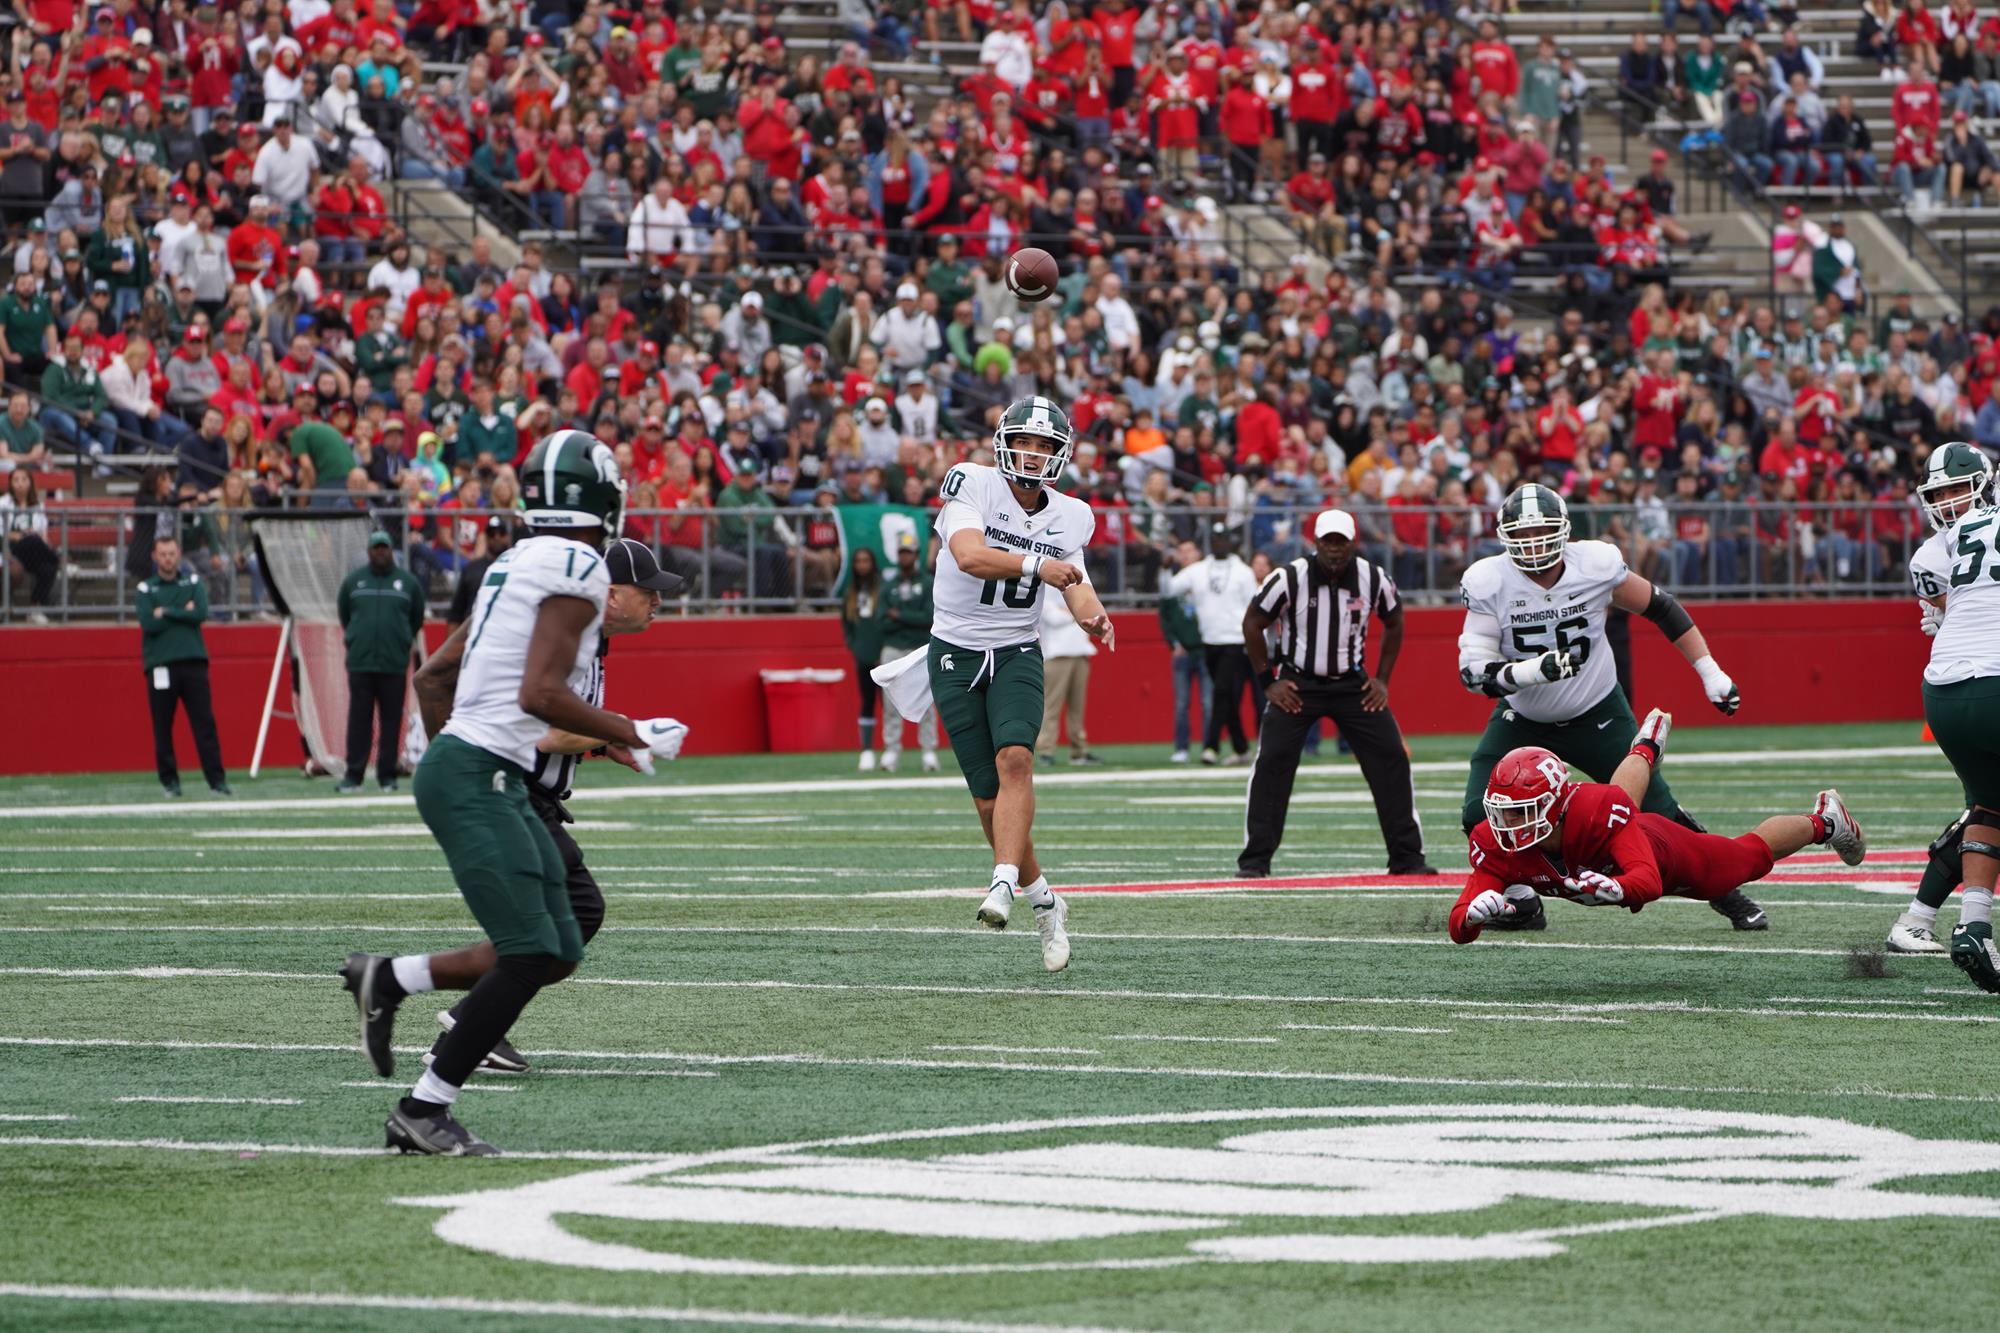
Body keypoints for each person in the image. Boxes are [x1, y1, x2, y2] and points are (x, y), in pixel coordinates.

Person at [338, 430, 691, 1156]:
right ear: (604, 495)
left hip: (478, 767)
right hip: (482, 772)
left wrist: (463, 750)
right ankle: (423, 1107)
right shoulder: (580, 565)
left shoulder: (514, 559)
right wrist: (631, 729)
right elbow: (540, 693)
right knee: (534, 946)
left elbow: (437, 676)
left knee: (560, 942)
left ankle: (392, 978)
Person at [407, 534, 686, 1075]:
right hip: (515, 793)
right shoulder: (570, 635)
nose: (657, 601)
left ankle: (459, 1022)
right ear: (609, 593)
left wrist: (607, 742)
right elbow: (547, 732)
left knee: (558, 927)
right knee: (560, 926)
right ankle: (439, 1013)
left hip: (526, 795)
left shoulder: (588, 638)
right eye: (645, 590)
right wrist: (633, 732)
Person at [872, 395, 1112, 973]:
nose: (1032, 454)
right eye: (1024, 442)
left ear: (1060, 455)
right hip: (955, 649)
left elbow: (1072, 578)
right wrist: (1037, 566)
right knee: (987, 799)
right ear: (1005, 442)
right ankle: (1046, 900)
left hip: (1016, 650)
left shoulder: (1070, 513)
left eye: (1044, 446)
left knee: (1016, 762)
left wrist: (1093, 613)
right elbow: (969, 555)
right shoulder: (972, 484)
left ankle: (1003, 881)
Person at [1456, 483, 1761, 932]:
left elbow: (1662, 607)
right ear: (1504, 537)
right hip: (1523, 718)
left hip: (1596, 709)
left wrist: (1709, 670)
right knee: (1478, 812)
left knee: (1658, 811)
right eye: (1524, 535)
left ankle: (1725, 891)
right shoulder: (1489, 580)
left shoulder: (1594, 565)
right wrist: (1533, 671)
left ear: (1564, 531)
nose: (1535, 544)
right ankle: (1521, 902)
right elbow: (1473, 672)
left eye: (1543, 532)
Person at [1450, 712, 1863, 942]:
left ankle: (1825, 821)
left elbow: (1646, 881)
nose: (1508, 824)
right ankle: (1645, 747)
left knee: (1744, 859)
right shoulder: (1495, 843)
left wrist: (1620, 889)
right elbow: (1457, 925)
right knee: (1621, 800)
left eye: (1523, 811)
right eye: (1503, 811)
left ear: (1555, 804)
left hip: (1659, 851)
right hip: (1611, 834)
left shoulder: (1596, 810)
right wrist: (1470, 918)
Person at [1239, 510, 1433, 878]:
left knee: (1391, 756)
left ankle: (1407, 857)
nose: (1334, 549)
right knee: (1273, 762)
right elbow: (1253, 621)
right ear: (1315, 543)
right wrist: (1269, 681)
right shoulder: (1289, 577)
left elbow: (1395, 621)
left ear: (1352, 543)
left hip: (1351, 683)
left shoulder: (1372, 577)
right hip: (1298, 683)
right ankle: (1255, 861)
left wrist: (1382, 680)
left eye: (1340, 541)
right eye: (1328, 541)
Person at [1898, 444, 2000, 981]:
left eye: (1955, 490)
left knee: (1987, 808)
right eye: (1938, 495)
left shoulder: (1939, 548)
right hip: (1992, 680)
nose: (1947, 503)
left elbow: (1948, 608)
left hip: (1942, 692)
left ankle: (1970, 925)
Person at [137, 534, 230, 797]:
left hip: (193, 663)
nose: (167, 558)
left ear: (178, 555)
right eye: (163, 554)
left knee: (204, 724)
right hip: (160, 665)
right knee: (162, 726)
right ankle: (170, 782)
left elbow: (200, 613)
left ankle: (217, 781)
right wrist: (182, 611)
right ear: (155, 557)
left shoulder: (192, 581)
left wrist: (166, 611)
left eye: (171, 553)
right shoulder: (146, 588)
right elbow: (148, 623)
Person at [1162, 523, 1261, 765]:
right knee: (1226, 697)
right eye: (1216, 539)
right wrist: (1164, 571)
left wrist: (1254, 641)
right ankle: (1240, 747)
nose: (1220, 543)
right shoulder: (1198, 570)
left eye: (1223, 539)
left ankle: (1211, 746)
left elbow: (1254, 606)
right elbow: (1169, 591)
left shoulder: (1243, 572)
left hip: (1235, 641)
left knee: (1221, 692)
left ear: (1231, 541)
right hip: (1210, 642)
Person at [335, 530, 425, 793]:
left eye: (384, 548)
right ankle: (354, 775)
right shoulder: (354, 582)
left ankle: (387, 776)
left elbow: (416, 618)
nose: (380, 552)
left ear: (391, 550)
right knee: (359, 720)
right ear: (369, 551)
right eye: (376, 548)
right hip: (361, 662)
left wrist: (401, 640)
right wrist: (356, 640)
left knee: (391, 720)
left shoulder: (407, 583)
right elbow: (345, 615)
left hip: (394, 663)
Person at [878, 531, 939, 773]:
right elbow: (882, 620)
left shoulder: (926, 583)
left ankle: (928, 750)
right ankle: (891, 749)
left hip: (920, 646)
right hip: (893, 646)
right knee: (890, 701)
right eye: (902, 553)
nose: (906, 557)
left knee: (926, 700)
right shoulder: (889, 585)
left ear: (916, 554)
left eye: (909, 552)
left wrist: (900, 615)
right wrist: (907, 619)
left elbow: (930, 617)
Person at [1036, 565, 1099, 766]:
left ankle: (1079, 750)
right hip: (1057, 654)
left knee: (1077, 708)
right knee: (1051, 706)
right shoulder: (1044, 588)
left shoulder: (1076, 589)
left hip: (1080, 652)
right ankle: (1046, 750)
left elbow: (1091, 613)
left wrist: (1072, 612)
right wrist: (1077, 613)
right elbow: (1053, 618)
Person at [1159, 554, 1208, 763]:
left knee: (1209, 703)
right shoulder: (1175, 583)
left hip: (1206, 649)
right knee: (1181, 704)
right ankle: (1181, 747)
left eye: (1190, 550)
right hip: (1184, 651)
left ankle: (1209, 746)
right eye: (1182, 550)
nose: (1186, 555)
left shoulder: (1208, 579)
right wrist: (1174, 644)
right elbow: (1165, 615)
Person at [843, 545, 886, 769]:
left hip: (884, 654)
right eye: (858, 561)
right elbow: (847, 625)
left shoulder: (883, 588)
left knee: (888, 703)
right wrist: (855, 646)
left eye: (866, 561)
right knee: (867, 701)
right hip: (864, 656)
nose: (862, 565)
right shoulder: (850, 592)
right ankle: (867, 750)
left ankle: (890, 750)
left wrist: (883, 648)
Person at [446, 515, 515, 626]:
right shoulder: (471, 569)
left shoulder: (517, 567)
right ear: (486, 538)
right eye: (492, 534)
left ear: (508, 536)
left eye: (501, 533)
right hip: (474, 629)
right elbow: (456, 614)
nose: (496, 538)